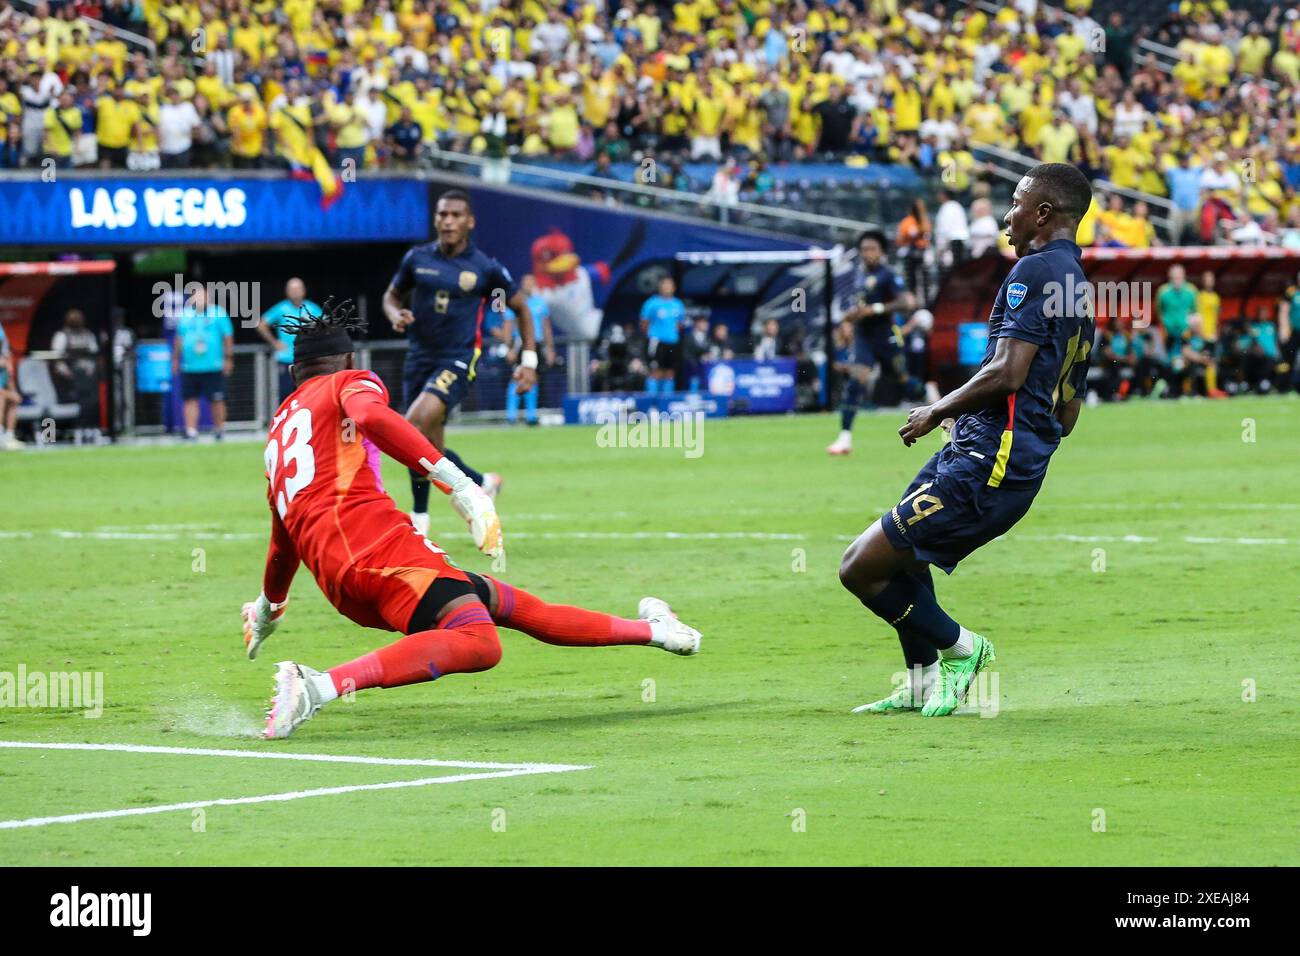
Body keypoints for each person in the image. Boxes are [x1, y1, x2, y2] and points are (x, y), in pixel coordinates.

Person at [244, 302, 701, 740]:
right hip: (379, 550)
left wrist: (268, 609)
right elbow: (370, 414)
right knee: (479, 641)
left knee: (511, 605)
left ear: (292, 373)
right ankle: (317, 687)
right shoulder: (350, 381)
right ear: (348, 359)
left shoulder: (278, 433)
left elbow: (283, 541)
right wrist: (461, 486)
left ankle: (659, 631)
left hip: (342, 580)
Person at [838, 163, 1096, 717]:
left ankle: (962, 648)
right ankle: (921, 679)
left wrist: (937, 409)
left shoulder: (1034, 271)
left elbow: (1007, 372)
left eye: (1017, 202)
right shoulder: (1080, 286)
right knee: (906, 555)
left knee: (859, 567)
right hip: (998, 452)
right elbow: (1068, 409)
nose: (1008, 214)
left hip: (990, 460)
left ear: (1044, 213)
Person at [383, 189, 537, 535]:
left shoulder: (485, 268)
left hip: (458, 359)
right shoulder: (416, 258)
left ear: (470, 222)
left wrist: (529, 361)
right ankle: (481, 483)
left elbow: (522, 308)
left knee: (411, 426)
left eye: (455, 215)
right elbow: (391, 295)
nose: (448, 221)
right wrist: (395, 313)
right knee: (426, 446)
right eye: (442, 215)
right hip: (419, 358)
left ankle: (419, 519)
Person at [827, 229, 914, 455]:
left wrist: (875, 309)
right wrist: (851, 317)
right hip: (864, 336)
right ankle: (844, 438)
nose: (868, 254)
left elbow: (907, 302)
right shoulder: (858, 274)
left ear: (882, 251)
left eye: (872, 249)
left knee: (907, 383)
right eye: (864, 249)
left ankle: (942, 404)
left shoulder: (888, 275)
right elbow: (861, 305)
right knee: (856, 382)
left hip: (886, 335)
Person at [173, 286, 233, 440]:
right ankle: (191, 431)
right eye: (197, 296)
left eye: (203, 296)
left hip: (213, 366)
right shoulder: (185, 315)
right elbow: (179, 339)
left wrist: (228, 359)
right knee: (189, 399)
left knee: (217, 399)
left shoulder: (218, 314)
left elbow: (227, 337)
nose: (200, 299)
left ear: (209, 298)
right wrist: (175, 360)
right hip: (190, 367)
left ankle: (219, 429)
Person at [256, 278, 321, 401]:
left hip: (308, 360)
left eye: (298, 289)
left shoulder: (312, 308)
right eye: (292, 289)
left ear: (304, 291)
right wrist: (274, 342)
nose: (295, 292)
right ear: (287, 291)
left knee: (309, 396)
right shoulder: (281, 308)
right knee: (286, 396)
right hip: (286, 359)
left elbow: (326, 326)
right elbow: (261, 324)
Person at [503, 274, 556, 426]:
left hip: (537, 344)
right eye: (526, 283)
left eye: (531, 283)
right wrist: (508, 347)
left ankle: (531, 416)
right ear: (521, 284)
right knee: (516, 376)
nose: (528, 286)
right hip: (520, 343)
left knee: (534, 377)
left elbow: (546, 327)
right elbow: (508, 325)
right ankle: (511, 416)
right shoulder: (515, 301)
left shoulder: (540, 303)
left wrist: (550, 348)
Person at [50, 309, 101, 444]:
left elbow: (93, 354)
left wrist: (91, 369)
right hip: (70, 378)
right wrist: (67, 373)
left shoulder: (87, 334)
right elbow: (57, 358)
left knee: (92, 402)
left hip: (88, 376)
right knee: (79, 402)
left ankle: (91, 428)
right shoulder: (62, 335)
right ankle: (78, 429)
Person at [640, 275, 686, 395]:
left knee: (670, 372)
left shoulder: (678, 304)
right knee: (655, 372)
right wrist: (653, 335)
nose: (667, 287)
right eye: (665, 284)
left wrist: (672, 333)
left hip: (673, 342)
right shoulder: (652, 303)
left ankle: (667, 404)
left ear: (674, 287)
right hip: (657, 342)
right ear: (660, 286)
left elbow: (680, 324)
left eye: (670, 284)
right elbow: (644, 323)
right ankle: (652, 405)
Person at [0, 320, 23, 449]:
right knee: (1, 398)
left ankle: (9, 436)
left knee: (15, 399)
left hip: (3, 375)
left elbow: (6, 349)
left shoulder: (6, 367)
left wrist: (7, 364)